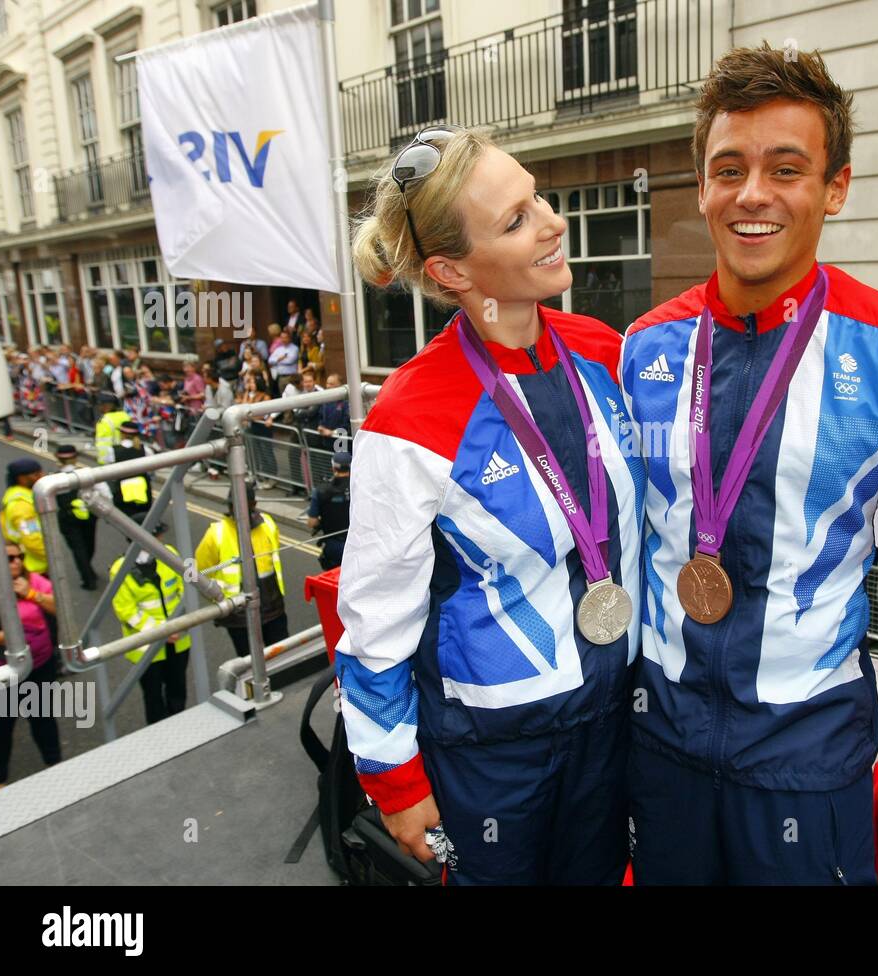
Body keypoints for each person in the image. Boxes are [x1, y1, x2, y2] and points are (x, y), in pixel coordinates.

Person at [619, 44, 878, 885]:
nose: (752, 194)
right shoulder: (645, 346)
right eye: (728, 168)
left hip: (805, 756)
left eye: (787, 168)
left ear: (834, 188)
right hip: (658, 739)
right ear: (702, 187)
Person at [337, 125, 643, 884]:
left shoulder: (603, 349)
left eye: (536, 198)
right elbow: (375, 624)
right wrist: (397, 785)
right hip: (491, 753)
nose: (553, 221)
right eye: (515, 220)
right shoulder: (408, 414)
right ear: (451, 269)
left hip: (613, 721)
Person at [0, 542, 61, 790]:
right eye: (10, 558)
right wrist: (0, 638)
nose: (17, 562)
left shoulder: (31, 580)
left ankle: (56, 768)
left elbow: (59, 608)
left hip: (39, 665)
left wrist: (33, 595)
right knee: (2, 726)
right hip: (3, 672)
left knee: (43, 719)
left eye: (19, 557)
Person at [194, 481, 289, 658]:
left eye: (242, 504)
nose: (237, 509)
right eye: (233, 504)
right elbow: (199, 574)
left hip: (273, 609)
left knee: (281, 658)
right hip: (238, 617)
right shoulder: (217, 533)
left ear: (253, 505)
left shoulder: (267, 523)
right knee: (249, 665)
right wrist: (219, 599)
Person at [110, 524, 191, 725]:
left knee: (177, 688)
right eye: (158, 535)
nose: (162, 539)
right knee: (153, 694)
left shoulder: (169, 554)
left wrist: (180, 623)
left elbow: (184, 588)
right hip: (146, 645)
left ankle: (179, 726)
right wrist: (162, 631)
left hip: (178, 639)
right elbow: (126, 611)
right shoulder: (119, 569)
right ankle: (159, 734)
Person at [54, 443, 110, 591]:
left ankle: (88, 578)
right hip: (88, 515)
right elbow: (105, 492)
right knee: (89, 544)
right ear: (75, 457)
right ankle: (88, 569)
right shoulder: (87, 474)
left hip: (67, 517)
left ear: (57, 458)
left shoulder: (52, 477)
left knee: (77, 548)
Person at [2, 458, 48, 577]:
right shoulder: (22, 506)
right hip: (34, 569)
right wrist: (52, 555)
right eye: (36, 474)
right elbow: (32, 540)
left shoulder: (17, 494)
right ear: (21, 478)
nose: (42, 476)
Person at [307, 451, 350, 570]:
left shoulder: (321, 491)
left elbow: (312, 522)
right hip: (356, 543)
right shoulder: (359, 487)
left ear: (333, 467)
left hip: (333, 545)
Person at [111, 420, 152, 527]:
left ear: (122, 434)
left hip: (123, 493)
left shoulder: (113, 451)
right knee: (144, 523)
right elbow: (151, 470)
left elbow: (110, 472)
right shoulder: (145, 450)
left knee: (128, 526)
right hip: (143, 492)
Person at [94, 392, 133, 465]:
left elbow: (103, 445)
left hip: (113, 459)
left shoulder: (104, 421)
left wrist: (103, 462)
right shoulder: (125, 415)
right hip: (130, 455)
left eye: (100, 405)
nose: (99, 407)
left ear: (107, 406)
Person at [268, 327, 300, 396]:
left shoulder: (294, 348)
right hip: (281, 377)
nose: (283, 339)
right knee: (283, 396)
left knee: (293, 395)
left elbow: (290, 361)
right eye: (282, 337)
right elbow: (270, 360)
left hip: (291, 376)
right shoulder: (278, 349)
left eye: (285, 337)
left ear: (289, 338)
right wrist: (279, 359)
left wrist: (277, 361)